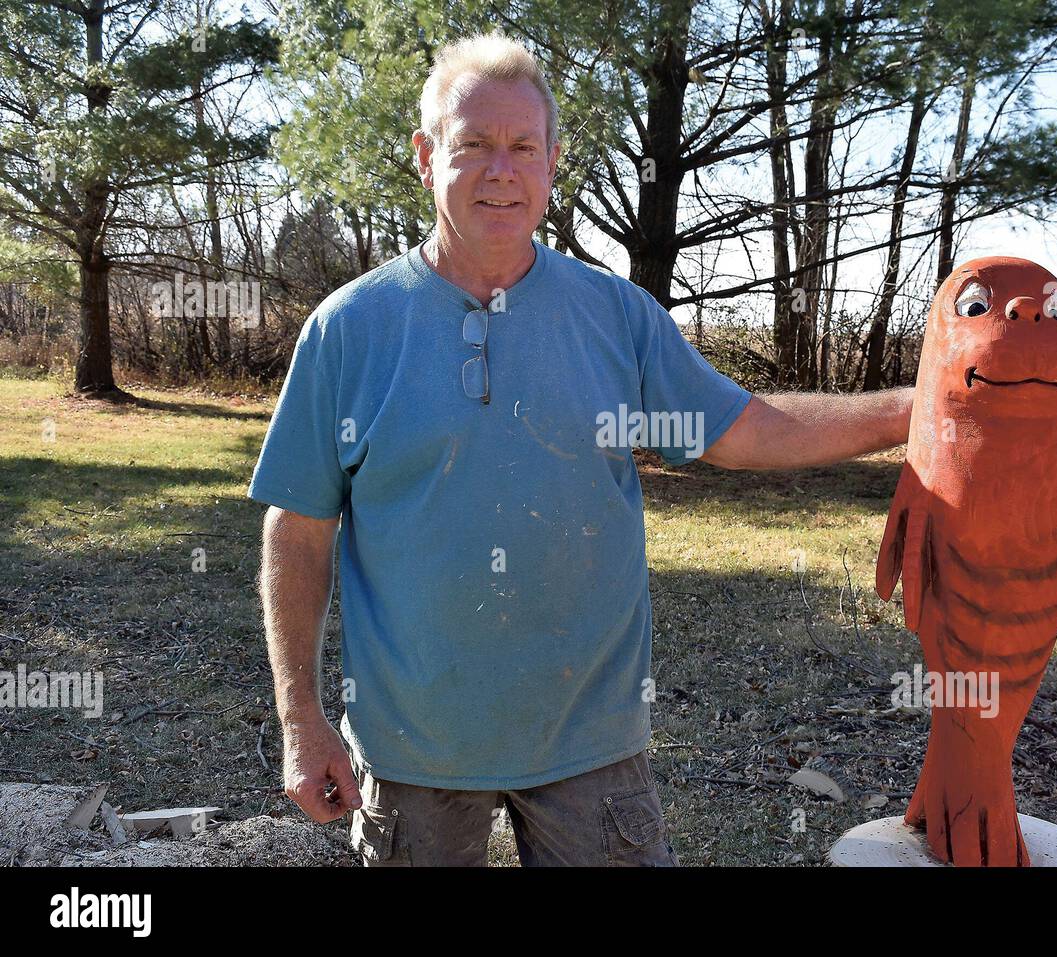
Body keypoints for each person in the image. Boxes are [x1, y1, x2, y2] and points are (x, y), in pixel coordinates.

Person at [249, 31, 914, 866]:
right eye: (474, 146)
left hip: (589, 741)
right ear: (426, 158)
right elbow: (297, 528)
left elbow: (750, 429)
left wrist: (911, 412)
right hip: (412, 746)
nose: (502, 169)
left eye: (524, 147)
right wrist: (302, 721)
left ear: (553, 160)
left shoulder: (616, 316)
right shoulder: (349, 329)